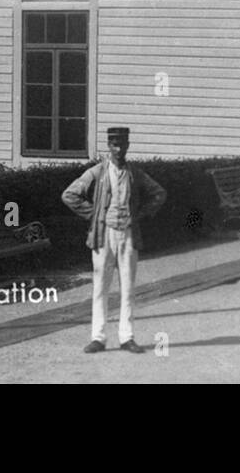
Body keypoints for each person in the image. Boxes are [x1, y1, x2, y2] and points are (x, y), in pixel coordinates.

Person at [62, 126, 167, 354]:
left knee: (128, 287)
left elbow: (159, 193)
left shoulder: (135, 173)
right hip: (103, 235)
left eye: (122, 144)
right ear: (108, 146)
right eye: (114, 144)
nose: (118, 149)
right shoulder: (97, 172)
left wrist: (141, 214)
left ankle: (126, 337)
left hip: (128, 234)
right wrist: (94, 214)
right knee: (100, 287)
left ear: (128, 146)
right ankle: (98, 338)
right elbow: (69, 194)